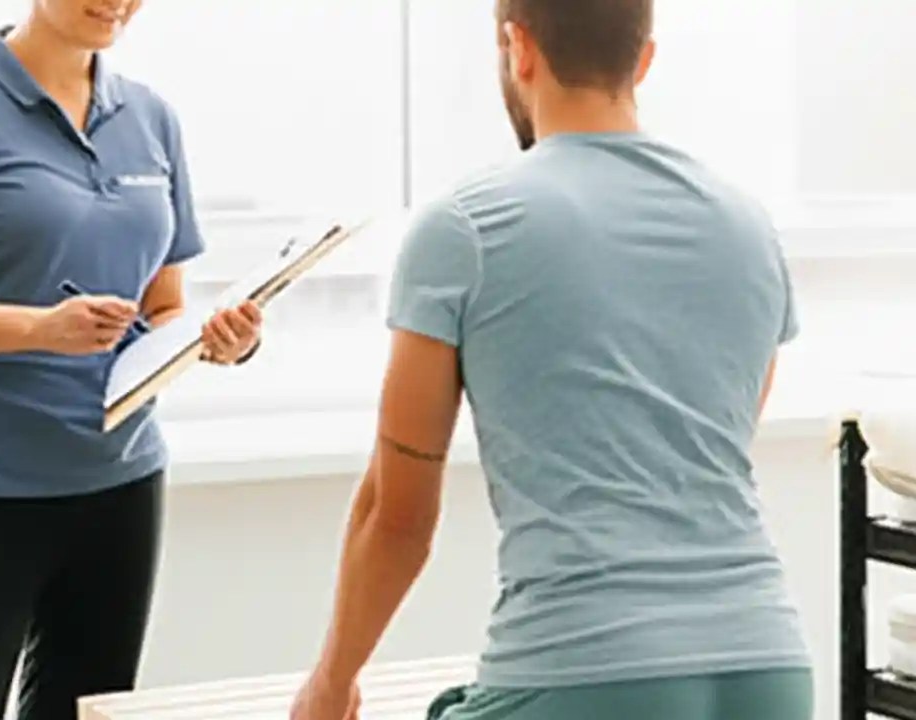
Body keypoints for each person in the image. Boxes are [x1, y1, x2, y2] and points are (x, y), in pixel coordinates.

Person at [290, 1, 810, 719]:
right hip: (770, 669)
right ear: (645, 60)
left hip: (584, 672)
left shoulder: (464, 228)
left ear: (518, 49)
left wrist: (330, 684)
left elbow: (397, 516)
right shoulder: (749, 226)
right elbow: (714, 449)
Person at [0, 2, 262, 719]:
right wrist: (40, 328)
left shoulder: (152, 118)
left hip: (119, 485)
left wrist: (217, 340)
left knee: (89, 713)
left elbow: (164, 305)